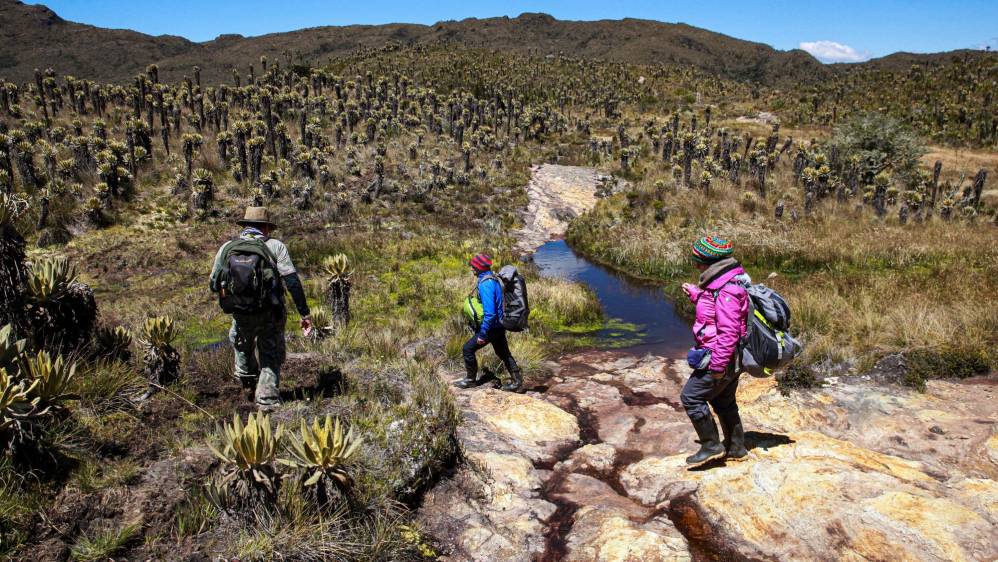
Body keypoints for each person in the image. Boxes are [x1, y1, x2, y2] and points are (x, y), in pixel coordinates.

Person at [209, 207, 311, 411]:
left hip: (240, 312)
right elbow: (292, 281)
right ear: (265, 227)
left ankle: (247, 382)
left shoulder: (228, 247)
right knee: (270, 353)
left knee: (242, 345)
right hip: (270, 312)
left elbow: (213, 282)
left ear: (245, 225)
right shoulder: (275, 246)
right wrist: (304, 313)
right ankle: (267, 399)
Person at [680, 236, 751, 466]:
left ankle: (711, 444)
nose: (696, 266)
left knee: (691, 397)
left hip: (721, 357)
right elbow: (715, 309)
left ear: (710, 261)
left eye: (698, 261)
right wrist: (696, 295)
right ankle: (736, 447)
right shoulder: (724, 281)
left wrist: (718, 367)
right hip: (731, 358)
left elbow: (729, 332)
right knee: (724, 401)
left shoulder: (727, 289)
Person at [455, 253, 523, 392]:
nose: (472, 269)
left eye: (473, 267)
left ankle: (470, 380)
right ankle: (517, 382)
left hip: (491, 328)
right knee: (503, 353)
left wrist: (483, 334)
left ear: (479, 268)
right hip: (499, 325)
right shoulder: (492, 278)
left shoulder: (486, 284)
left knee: (468, 349)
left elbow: (490, 313)